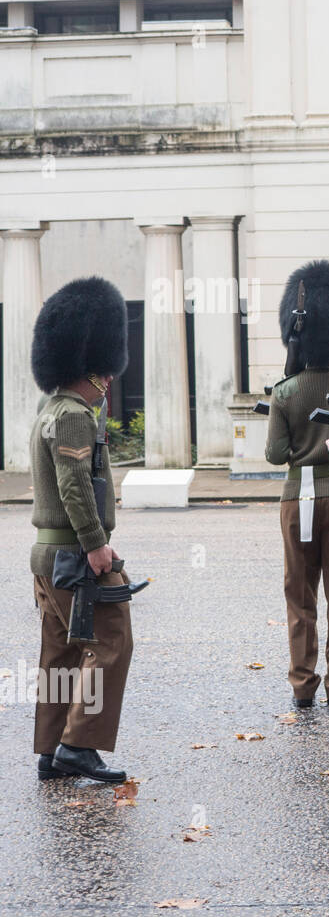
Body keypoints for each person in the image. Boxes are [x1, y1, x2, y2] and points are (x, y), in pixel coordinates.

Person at [29, 277, 138, 783]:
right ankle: (79, 744)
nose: (107, 381)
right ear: (88, 368)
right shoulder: (75, 415)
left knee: (62, 653)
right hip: (75, 552)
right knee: (111, 643)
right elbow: (75, 485)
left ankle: (52, 748)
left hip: (47, 554)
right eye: (102, 372)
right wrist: (97, 545)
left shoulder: (48, 411)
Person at [264, 260, 329, 710]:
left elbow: (274, 455)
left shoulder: (285, 391)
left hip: (296, 497)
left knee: (299, 593)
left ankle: (303, 683)